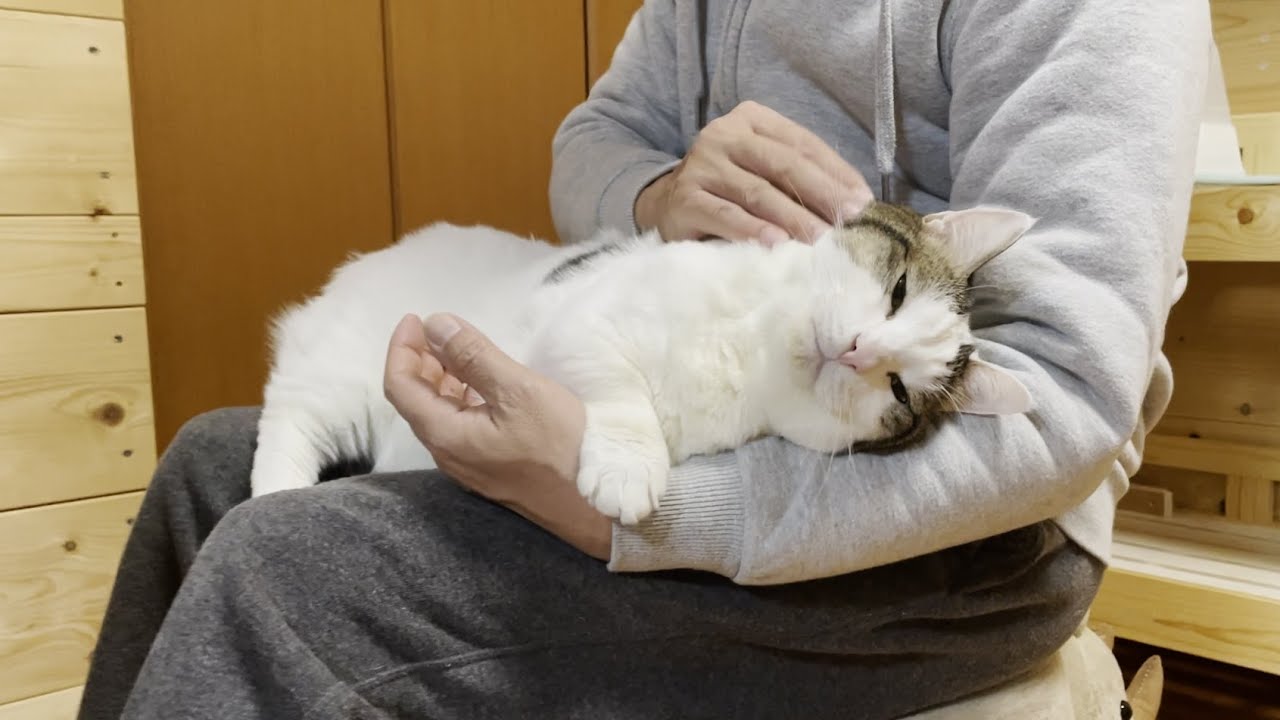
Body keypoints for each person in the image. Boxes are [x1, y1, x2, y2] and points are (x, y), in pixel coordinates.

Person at [78, 1, 1211, 718]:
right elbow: (591, 143)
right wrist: (661, 191)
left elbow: (1059, 405)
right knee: (210, 467)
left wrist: (645, 513)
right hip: (713, 401)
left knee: (290, 565)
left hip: (966, 530)